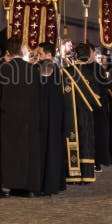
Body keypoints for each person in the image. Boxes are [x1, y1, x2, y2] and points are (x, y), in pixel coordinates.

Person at [0, 37, 44, 195]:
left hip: (9, 116)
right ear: (21, 50)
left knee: (10, 151)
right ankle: (28, 185)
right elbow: (38, 96)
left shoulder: (3, 69)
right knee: (27, 151)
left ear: (8, 52)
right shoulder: (33, 70)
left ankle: (8, 184)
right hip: (29, 117)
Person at [62, 43, 102, 182]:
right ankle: (86, 174)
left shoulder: (66, 71)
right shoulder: (92, 72)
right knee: (86, 140)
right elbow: (96, 97)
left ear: (76, 55)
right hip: (86, 112)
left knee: (72, 139)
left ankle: (72, 174)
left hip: (70, 113)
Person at [37, 44, 67, 194]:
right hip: (54, 117)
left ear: (48, 54)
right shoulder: (56, 70)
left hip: (48, 117)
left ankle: (47, 182)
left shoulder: (47, 69)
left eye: (40, 54)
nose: (39, 56)